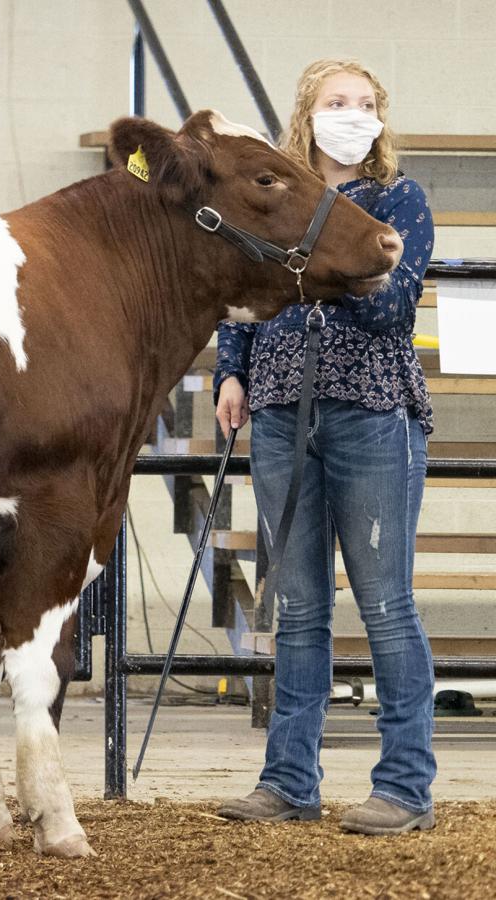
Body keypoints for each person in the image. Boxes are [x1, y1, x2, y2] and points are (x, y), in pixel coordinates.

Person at [213, 59, 437, 835]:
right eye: (338, 102)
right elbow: (240, 295)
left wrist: (342, 266)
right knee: (300, 606)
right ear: (306, 114)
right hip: (278, 409)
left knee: (386, 603)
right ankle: (288, 781)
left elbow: (394, 312)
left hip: (372, 409)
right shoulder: (275, 197)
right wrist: (232, 375)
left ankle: (405, 786)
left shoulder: (398, 198)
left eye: (366, 103)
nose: (354, 113)